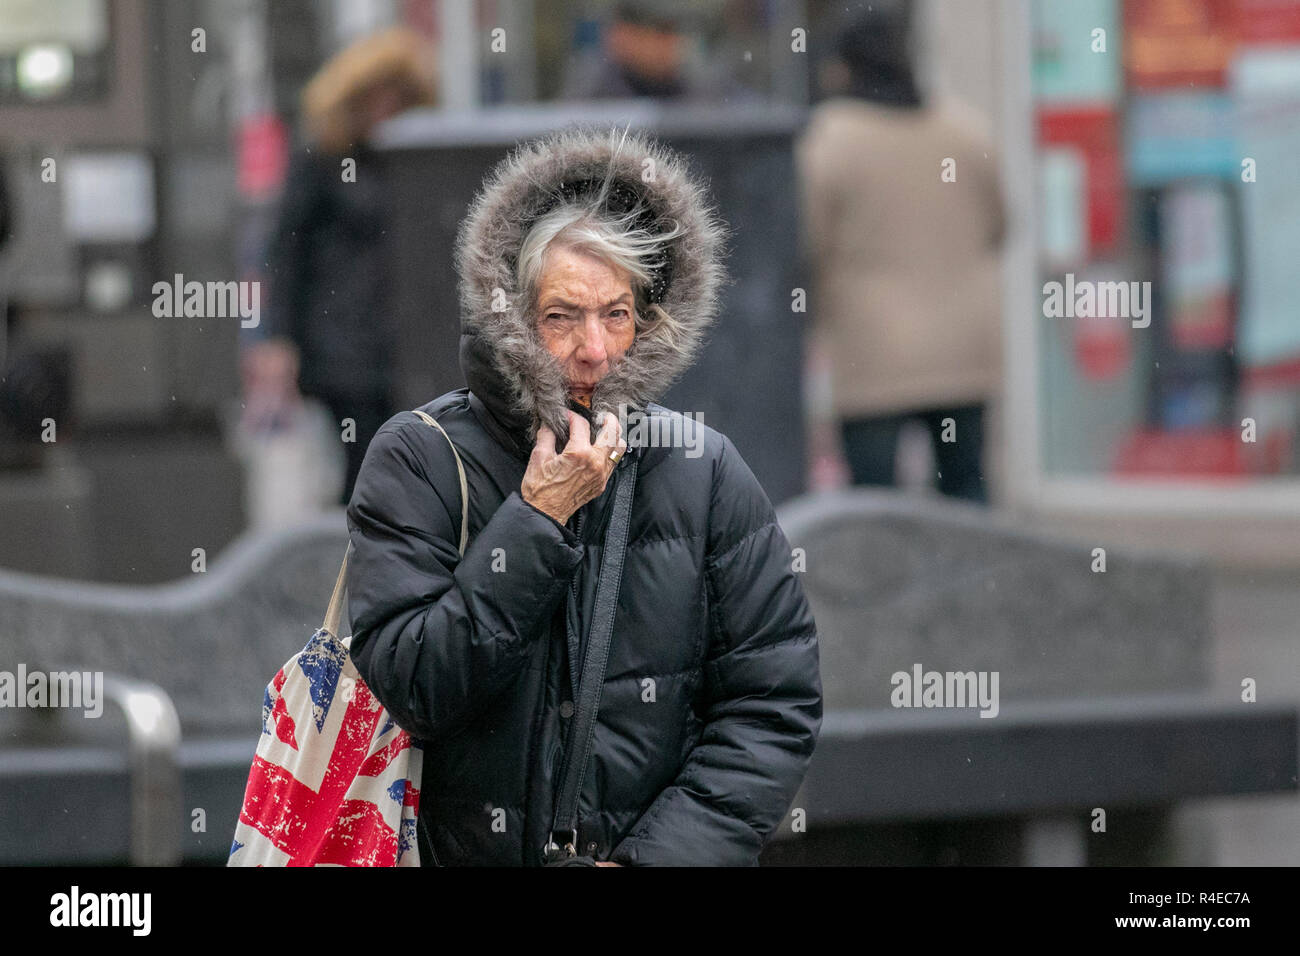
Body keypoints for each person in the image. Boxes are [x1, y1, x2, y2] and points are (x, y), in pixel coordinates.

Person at [344, 126, 822, 866]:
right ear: (512, 320)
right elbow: (410, 689)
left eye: (617, 315)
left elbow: (772, 704)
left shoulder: (703, 467)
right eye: (562, 316)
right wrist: (536, 519)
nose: (593, 349)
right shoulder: (418, 457)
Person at [796, 5, 1005, 503]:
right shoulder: (967, 131)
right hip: (964, 346)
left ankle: (891, 586)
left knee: (875, 509)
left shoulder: (829, 139)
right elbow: (999, 228)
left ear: (843, 66)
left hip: (873, 353)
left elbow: (810, 246)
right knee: (966, 490)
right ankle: (972, 581)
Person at [247, 27, 436, 505]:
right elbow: (288, 250)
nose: (386, 110)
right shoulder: (325, 157)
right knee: (364, 468)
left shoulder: (413, 160)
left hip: (402, 345)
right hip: (342, 348)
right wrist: (278, 339)